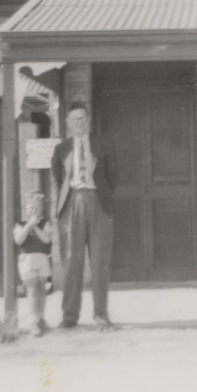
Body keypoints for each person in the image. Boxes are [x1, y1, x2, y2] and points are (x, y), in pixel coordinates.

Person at [51, 101, 118, 331]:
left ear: (88, 121)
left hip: (98, 202)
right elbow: (58, 181)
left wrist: (101, 194)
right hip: (72, 204)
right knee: (71, 262)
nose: (79, 122)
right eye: (74, 119)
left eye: (83, 118)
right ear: (68, 123)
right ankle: (69, 316)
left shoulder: (103, 144)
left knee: (100, 262)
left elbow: (113, 175)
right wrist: (69, 199)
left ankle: (101, 315)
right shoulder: (61, 149)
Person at [14, 191, 52, 337]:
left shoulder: (44, 223)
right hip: (27, 260)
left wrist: (36, 227)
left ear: (41, 210)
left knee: (42, 289)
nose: (34, 211)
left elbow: (47, 240)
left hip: (41, 259)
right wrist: (29, 226)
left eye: (37, 208)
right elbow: (19, 240)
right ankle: (33, 320)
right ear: (26, 208)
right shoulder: (20, 224)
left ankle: (40, 317)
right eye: (31, 208)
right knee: (32, 290)